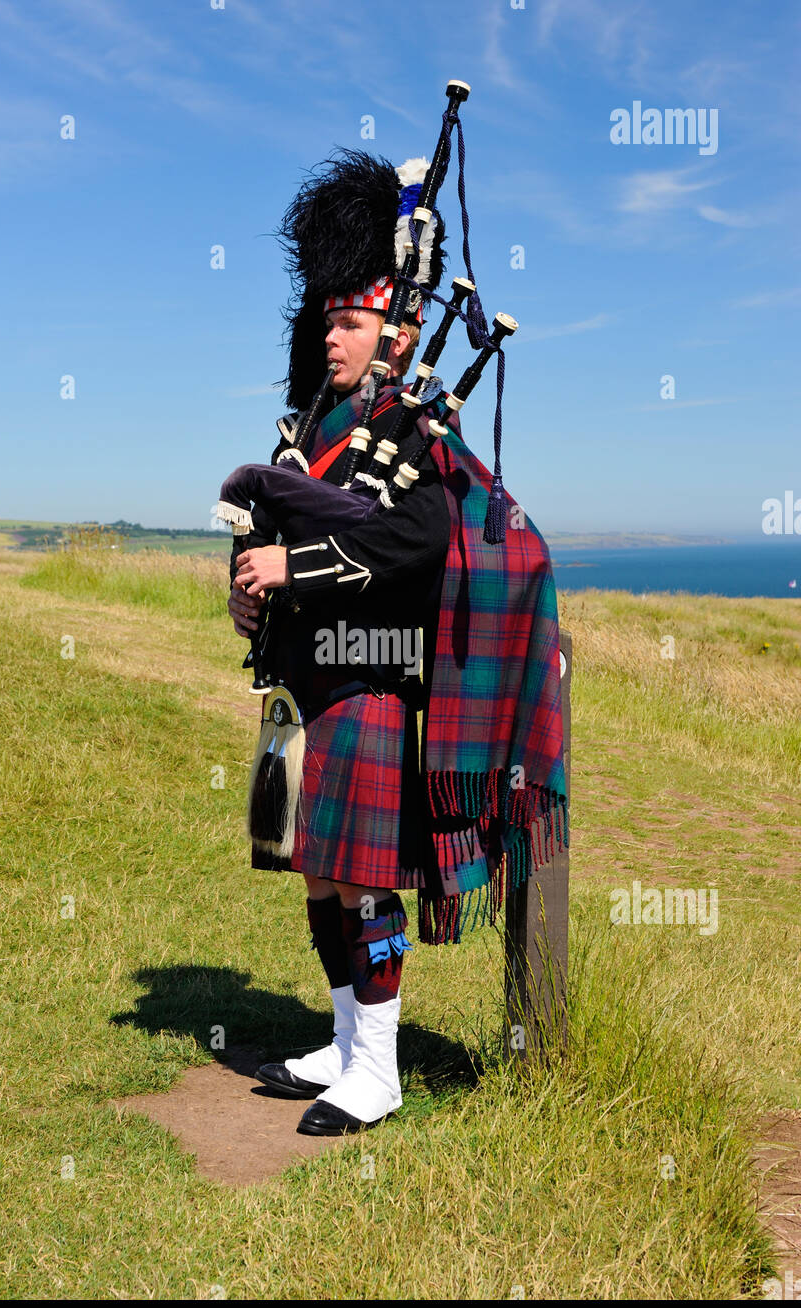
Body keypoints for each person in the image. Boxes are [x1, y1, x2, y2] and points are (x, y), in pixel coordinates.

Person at [224, 149, 566, 1138]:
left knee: (364, 877)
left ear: (399, 332)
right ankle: (343, 1041)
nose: (330, 332)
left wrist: (299, 572)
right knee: (320, 870)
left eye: (350, 318)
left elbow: (414, 546)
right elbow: (267, 522)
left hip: (370, 680)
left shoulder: (417, 429)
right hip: (304, 684)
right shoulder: (320, 423)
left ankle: (378, 1071)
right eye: (326, 315)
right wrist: (249, 587)